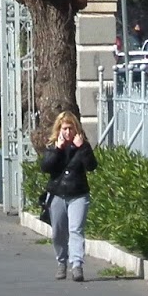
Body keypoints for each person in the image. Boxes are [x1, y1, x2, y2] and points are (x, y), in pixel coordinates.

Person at [38, 110, 98, 282]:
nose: (68, 132)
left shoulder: (82, 145)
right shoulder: (53, 146)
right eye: (64, 129)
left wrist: (83, 148)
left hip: (78, 194)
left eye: (71, 128)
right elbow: (45, 167)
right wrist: (57, 150)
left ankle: (77, 265)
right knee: (58, 232)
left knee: (75, 230)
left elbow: (91, 166)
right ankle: (61, 262)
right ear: (59, 129)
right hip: (57, 194)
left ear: (76, 129)